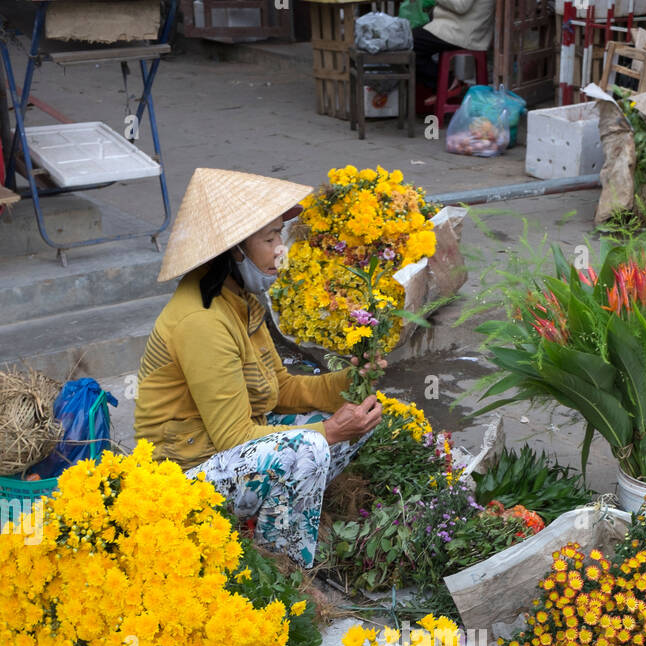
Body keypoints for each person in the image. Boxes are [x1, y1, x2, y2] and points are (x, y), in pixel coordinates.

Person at [134, 167, 382, 567]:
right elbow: (235, 437)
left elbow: (280, 390)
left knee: (361, 419)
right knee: (309, 448)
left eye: (279, 235)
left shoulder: (241, 299)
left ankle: (273, 527)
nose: (279, 249)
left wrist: (352, 381)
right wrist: (329, 432)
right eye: (269, 239)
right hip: (185, 476)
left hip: (229, 457)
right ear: (234, 250)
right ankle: (281, 574)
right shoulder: (201, 321)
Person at [412, 0, 496, 94]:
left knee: (408, 44)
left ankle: (448, 83)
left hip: (462, 30)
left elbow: (461, 5)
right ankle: (443, 85)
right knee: (407, 40)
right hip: (455, 25)